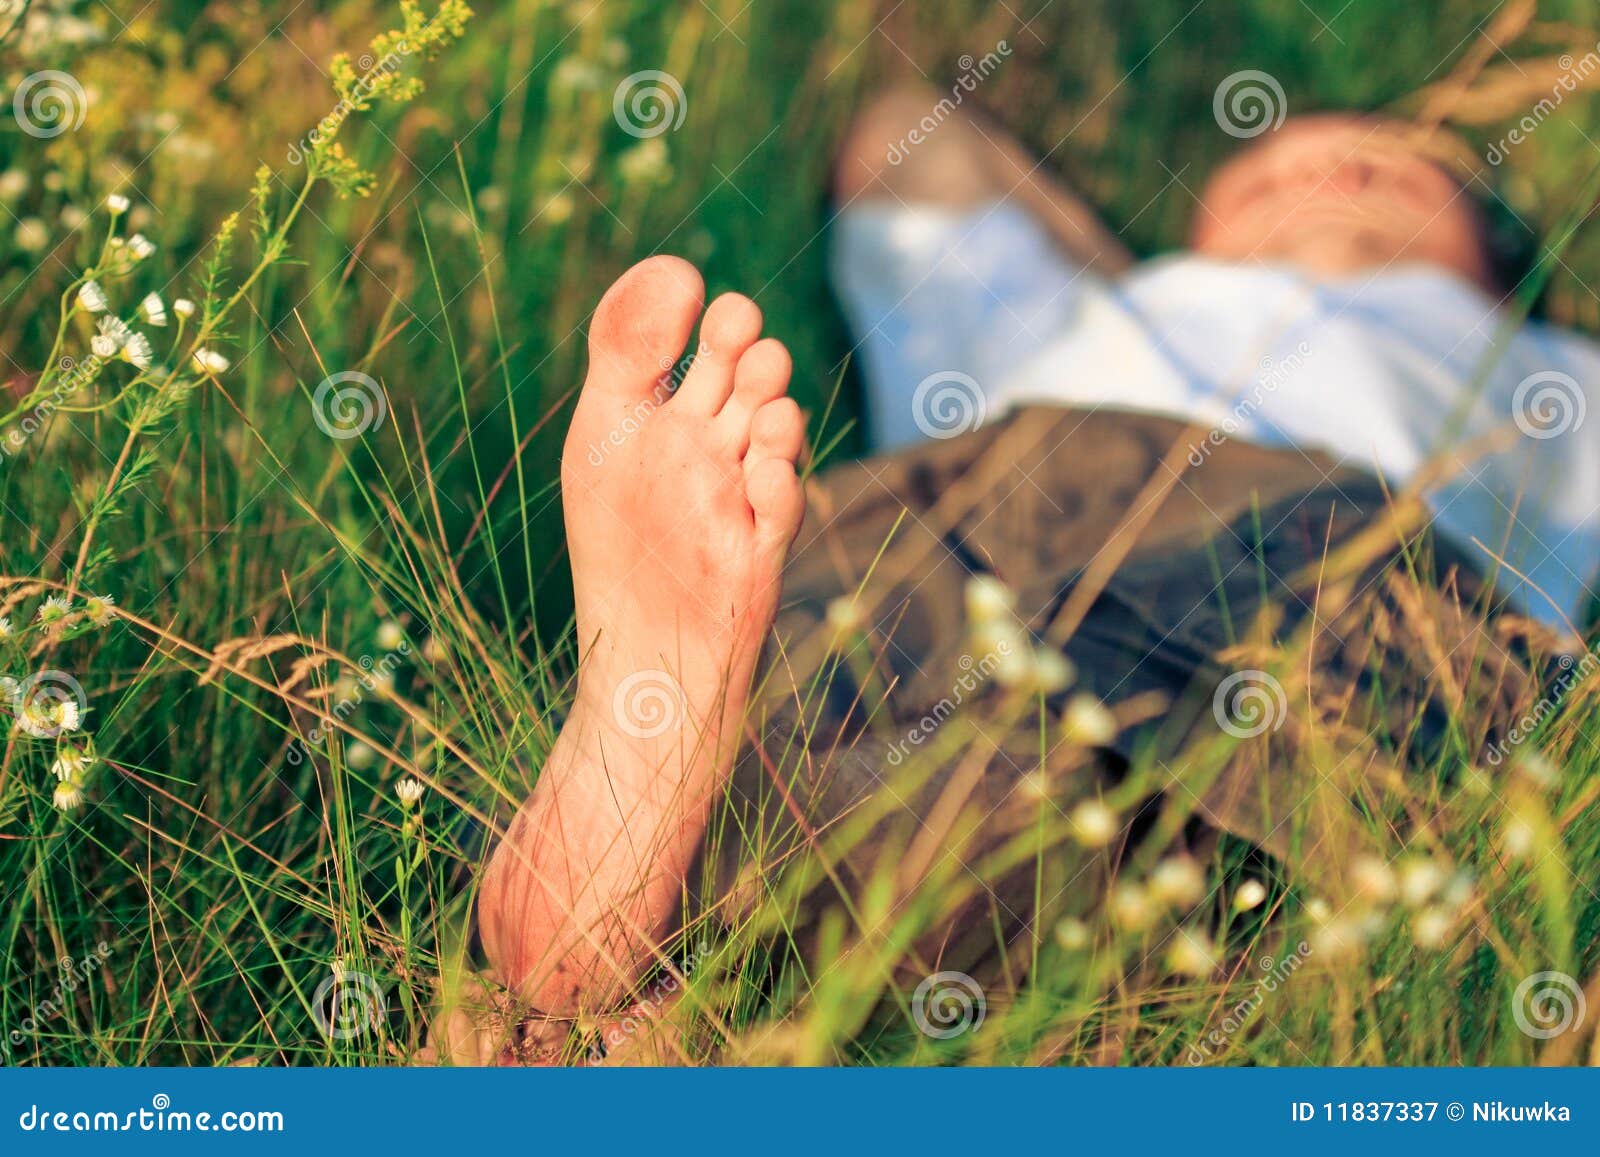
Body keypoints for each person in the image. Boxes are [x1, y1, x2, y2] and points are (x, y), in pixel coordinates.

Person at [456, 88, 1596, 1063]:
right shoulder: (1070, 313)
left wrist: (1234, 242)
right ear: (1191, 229)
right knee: (832, 698)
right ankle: (667, 886)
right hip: (976, 499)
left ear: (1502, 269)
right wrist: (1142, 277)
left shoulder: (1555, 377)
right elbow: (915, 131)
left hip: (1314, 544)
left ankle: (613, 928)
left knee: (1105, 808)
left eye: (1396, 172)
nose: (1334, 163)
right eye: (1276, 163)